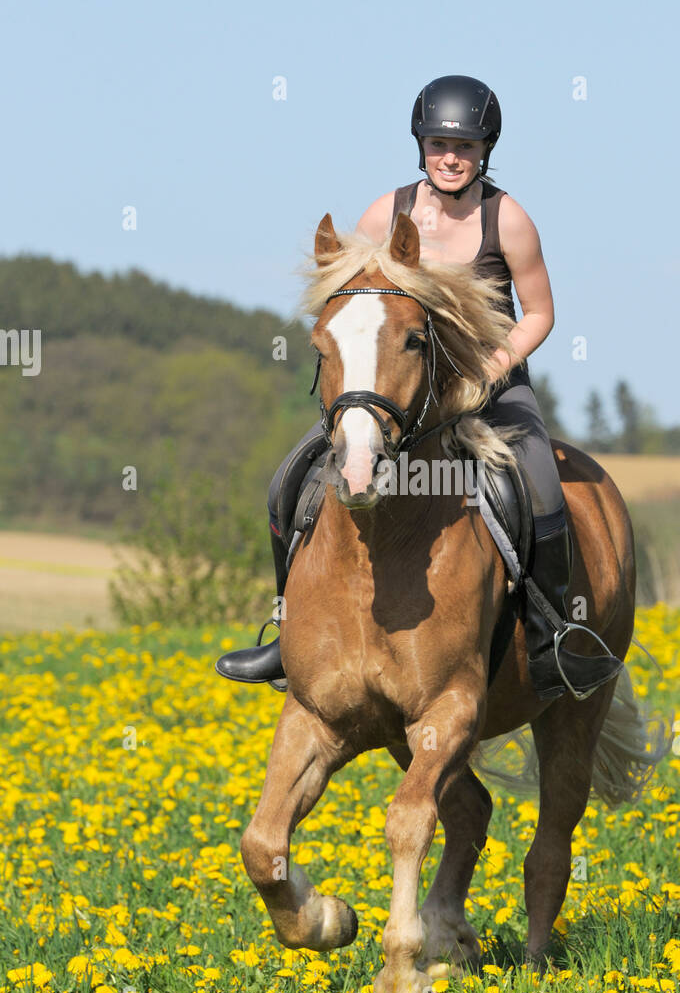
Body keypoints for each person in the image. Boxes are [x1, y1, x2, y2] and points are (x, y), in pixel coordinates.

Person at [216, 75, 619, 700]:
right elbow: (356, 298)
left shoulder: (508, 219)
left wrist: (489, 369)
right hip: (397, 391)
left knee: (540, 480)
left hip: (490, 386)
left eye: (464, 145)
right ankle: (286, 632)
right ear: (420, 147)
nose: (450, 157)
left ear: (486, 148)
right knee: (288, 481)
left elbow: (539, 313)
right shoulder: (387, 212)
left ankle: (551, 636)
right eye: (437, 144)